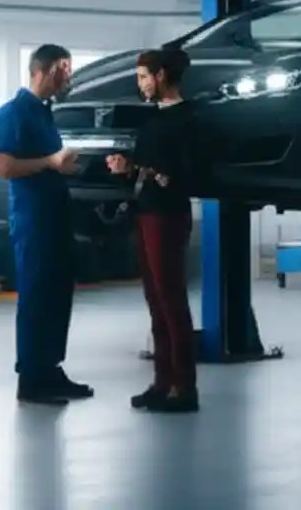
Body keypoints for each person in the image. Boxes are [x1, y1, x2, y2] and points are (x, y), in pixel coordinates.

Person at [0, 44, 93, 405]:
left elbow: (50, 163)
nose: (69, 76)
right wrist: (51, 161)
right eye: (66, 68)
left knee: (58, 293)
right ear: (45, 69)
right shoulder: (13, 113)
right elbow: (3, 167)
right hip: (33, 218)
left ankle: (51, 368)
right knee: (36, 295)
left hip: (56, 214)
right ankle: (31, 378)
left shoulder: (46, 113)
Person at [106, 47, 202, 413]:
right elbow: (147, 166)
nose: (140, 84)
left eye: (144, 77)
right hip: (146, 212)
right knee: (155, 300)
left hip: (168, 215)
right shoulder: (152, 121)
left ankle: (185, 387)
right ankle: (163, 382)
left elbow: (188, 170)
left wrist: (158, 171)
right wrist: (127, 167)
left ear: (162, 75)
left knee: (171, 300)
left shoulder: (187, 118)